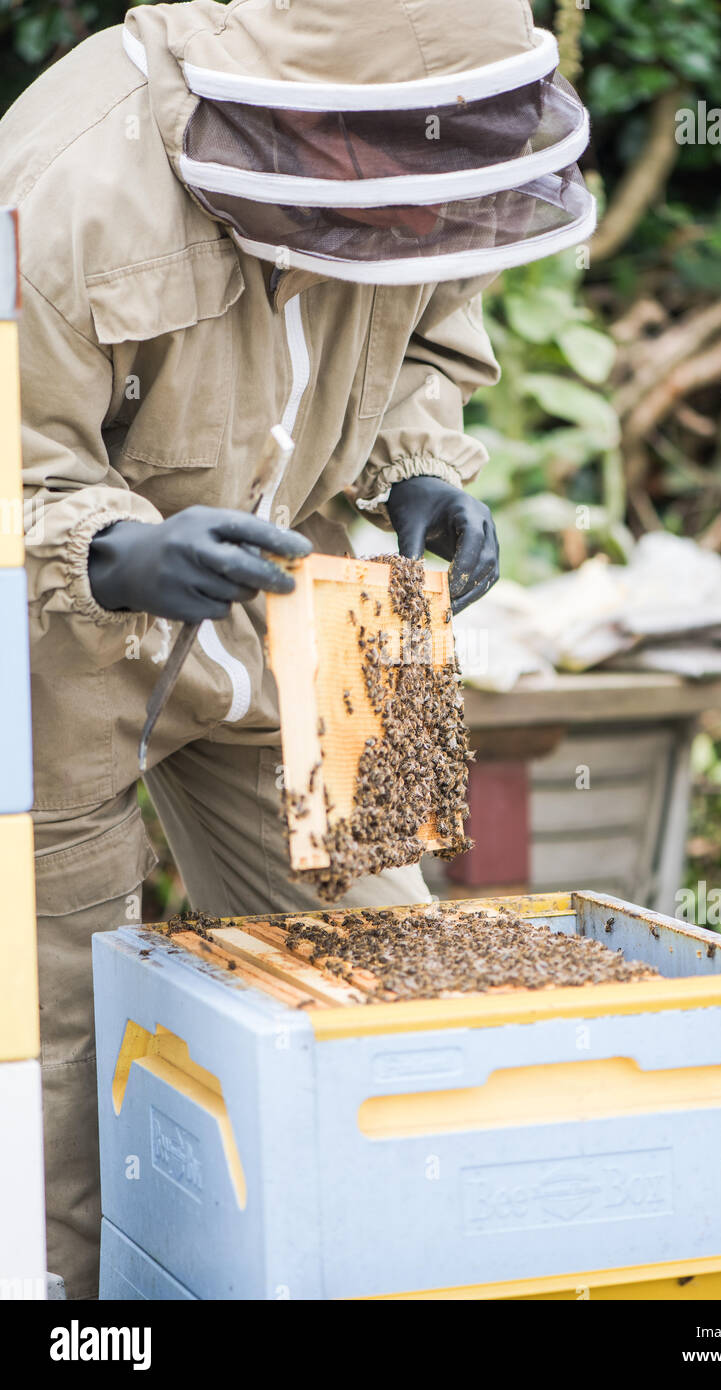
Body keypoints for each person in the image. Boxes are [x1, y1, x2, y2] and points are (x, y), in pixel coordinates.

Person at [0, 0, 594, 1298]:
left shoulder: (431, 149)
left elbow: (429, 337)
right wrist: (114, 549)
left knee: (403, 990)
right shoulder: (58, 174)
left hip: (312, 582)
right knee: (49, 1068)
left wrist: (425, 474)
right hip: (41, 633)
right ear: (304, 117)